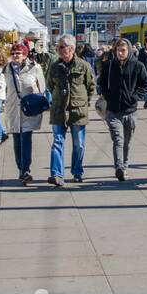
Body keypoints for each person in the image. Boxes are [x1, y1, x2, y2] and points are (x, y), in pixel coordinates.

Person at [97, 38, 147, 181]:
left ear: (129, 51)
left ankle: (125, 165)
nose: (120, 53)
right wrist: (107, 95)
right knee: (118, 139)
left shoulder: (138, 66)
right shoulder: (108, 66)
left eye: (123, 50)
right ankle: (119, 167)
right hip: (113, 110)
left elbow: (146, 85)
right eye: (118, 50)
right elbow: (101, 83)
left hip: (130, 111)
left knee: (127, 141)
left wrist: (134, 97)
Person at [46, 34, 95, 186]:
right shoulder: (54, 67)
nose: (58, 50)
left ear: (71, 48)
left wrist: (83, 102)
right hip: (59, 110)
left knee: (79, 144)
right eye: (58, 47)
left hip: (77, 111)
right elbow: (49, 85)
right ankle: (56, 174)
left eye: (62, 47)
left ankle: (77, 172)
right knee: (57, 142)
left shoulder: (83, 65)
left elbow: (91, 86)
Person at [5, 42, 46, 184]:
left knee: (26, 139)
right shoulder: (7, 68)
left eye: (18, 53)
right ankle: (21, 169)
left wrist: (38, 101)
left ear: (25, 54)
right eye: (13, 53)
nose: (15, 55)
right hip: (13, 108)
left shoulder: (35, 68)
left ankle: (25, 170)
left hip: (28, 108)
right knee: (17, 140)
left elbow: (42, 88)